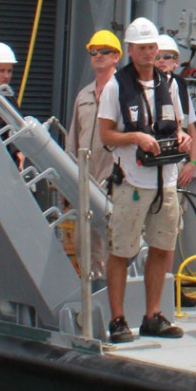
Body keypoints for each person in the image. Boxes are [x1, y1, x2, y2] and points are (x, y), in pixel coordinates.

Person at [97, 17, 193, 343]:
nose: (149, 53)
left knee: (162, 248)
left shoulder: (170, 85)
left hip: (165, 181)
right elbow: (106, 133)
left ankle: (153, 315)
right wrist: (137, 137)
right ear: (130, 50)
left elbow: (178, 125)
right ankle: (118, 319)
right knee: (122, 250)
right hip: (132, 182)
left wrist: (182, 139)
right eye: (142, 48)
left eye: (153, 47)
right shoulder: (115, 87)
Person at [65, 28, 122, 275]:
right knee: (85, 247)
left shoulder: (124, 92)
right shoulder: (83, 96)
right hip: (85, 184)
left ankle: (114, 302)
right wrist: (68, 182)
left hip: (114, 183)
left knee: (114, 247)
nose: (98, 55)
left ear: (117, 56)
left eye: (104, 51)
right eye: (93, 52)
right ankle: (91, 296)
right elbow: (73, 140)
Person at [156, 34, 196, 189]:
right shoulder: (142, 86)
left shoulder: (180, 87)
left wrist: (192, 163)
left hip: (177, 163)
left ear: (176, 62)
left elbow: (192, 130)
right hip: (151, 164)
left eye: (167, 56)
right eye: (157, 56)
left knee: (175, 211)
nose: (161, 60)